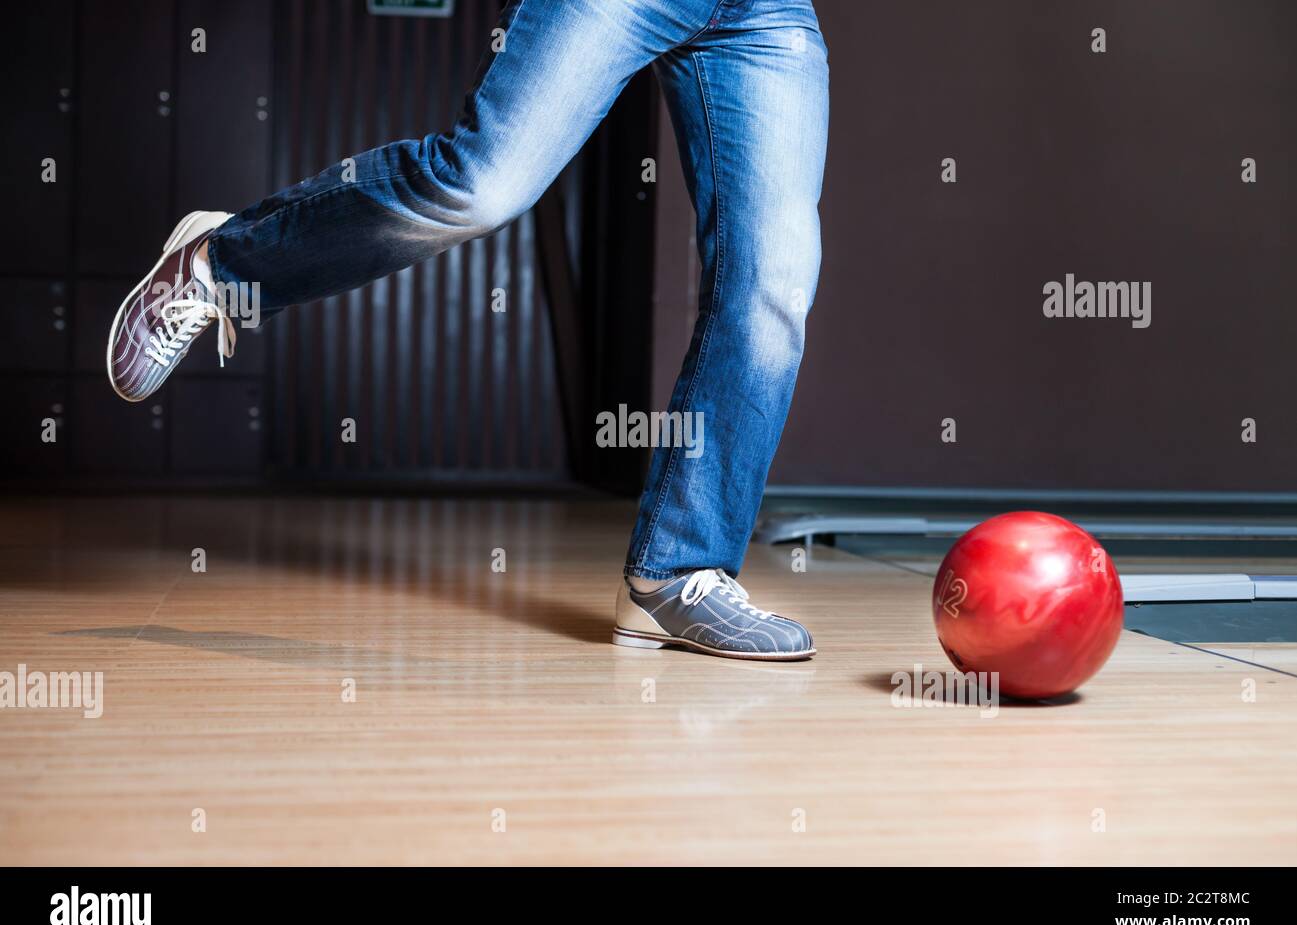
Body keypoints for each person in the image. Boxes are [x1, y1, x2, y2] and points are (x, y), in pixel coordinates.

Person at [105, 0, 828, 661]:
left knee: (774, 281)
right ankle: (220, 263)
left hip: (766, 13)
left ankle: (677, 573)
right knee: (481, 184)